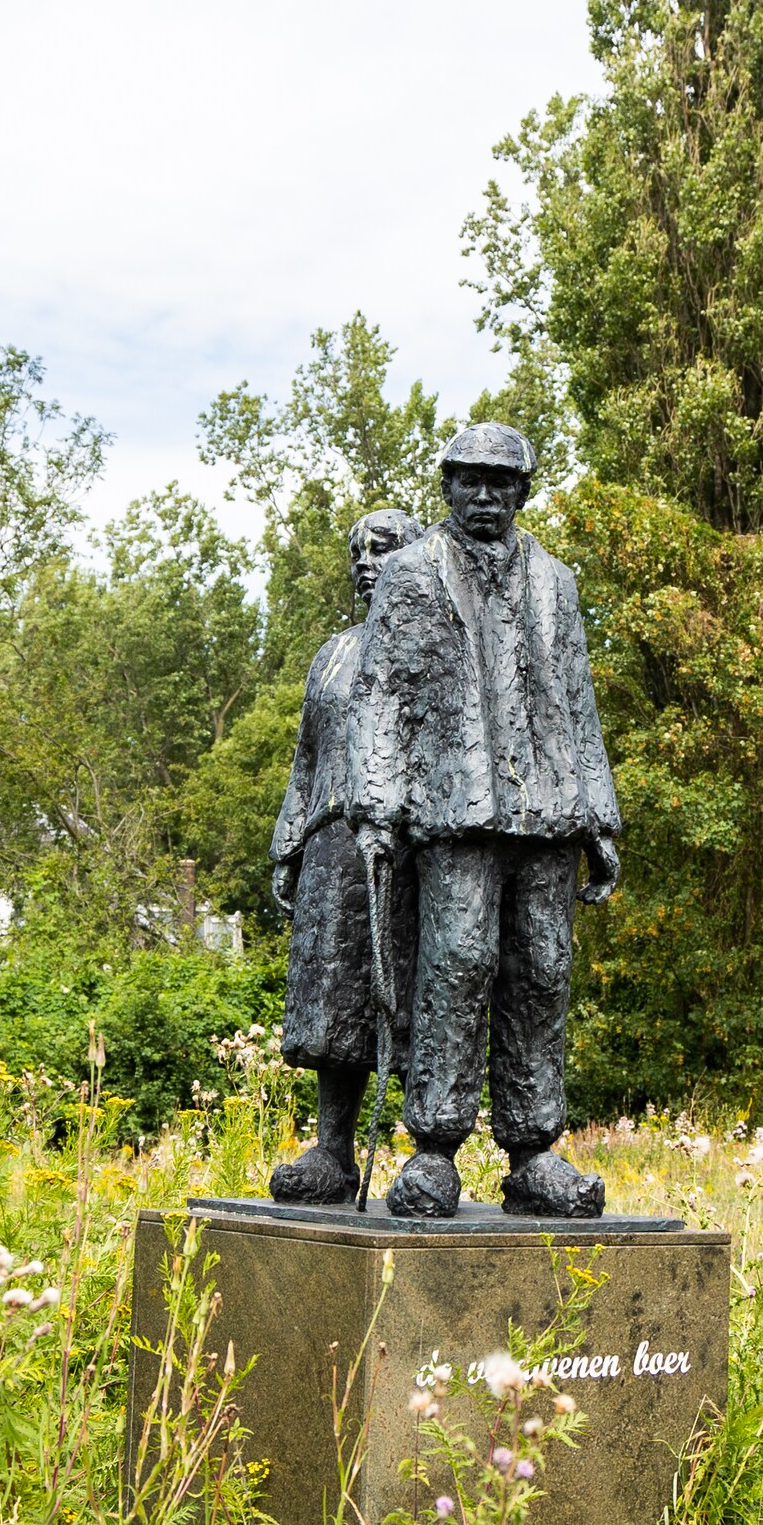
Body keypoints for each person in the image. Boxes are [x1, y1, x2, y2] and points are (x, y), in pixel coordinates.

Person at [345, 422, 621, 1219]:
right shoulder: (407, 574)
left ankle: (534, 1152)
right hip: (453, 809)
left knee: (541, 975)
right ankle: (434, 1150)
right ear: (447, 485)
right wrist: (375, 804)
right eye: (470, 480)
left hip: (548, 812)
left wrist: (599, 820)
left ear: (523, 490)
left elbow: (578, 702)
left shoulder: (556, 582)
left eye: (502, 483)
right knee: (455, 967)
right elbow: (381, 697)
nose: (485, 495)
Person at [267, 508, 424, 1203]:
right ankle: (333, 1151)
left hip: (411, 845)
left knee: (414, 995)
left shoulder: (435, 645)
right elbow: (306, 757)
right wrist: (289, 843)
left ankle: (428, 1156)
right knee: (333, 1001)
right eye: (357, 551)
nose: (365, 562)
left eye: (382, 549)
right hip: (332, 842)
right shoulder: (333, 651)